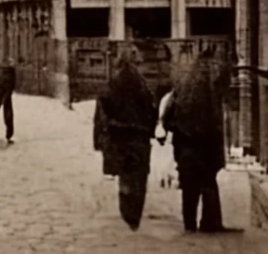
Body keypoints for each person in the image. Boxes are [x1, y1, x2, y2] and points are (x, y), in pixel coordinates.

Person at [162, 49, 229, 233]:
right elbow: (216, 121)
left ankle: (189, 225)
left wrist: (172, 130)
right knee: (208, 183)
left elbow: (168, 115)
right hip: (206, 146)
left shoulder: (183, 87)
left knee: (189, 187)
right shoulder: (211, 90)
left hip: (185, 146)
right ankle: (210, 222)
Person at [93, 50, 157, 230]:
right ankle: (135, 214)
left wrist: (99, 139)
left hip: (118, 137)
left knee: (125, 175)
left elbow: (102, 111)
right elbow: (151, 110)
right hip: (139, 137)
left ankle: (127, 212)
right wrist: (150, 130)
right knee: (139, 176)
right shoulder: (142, 85)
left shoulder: (113, 83)